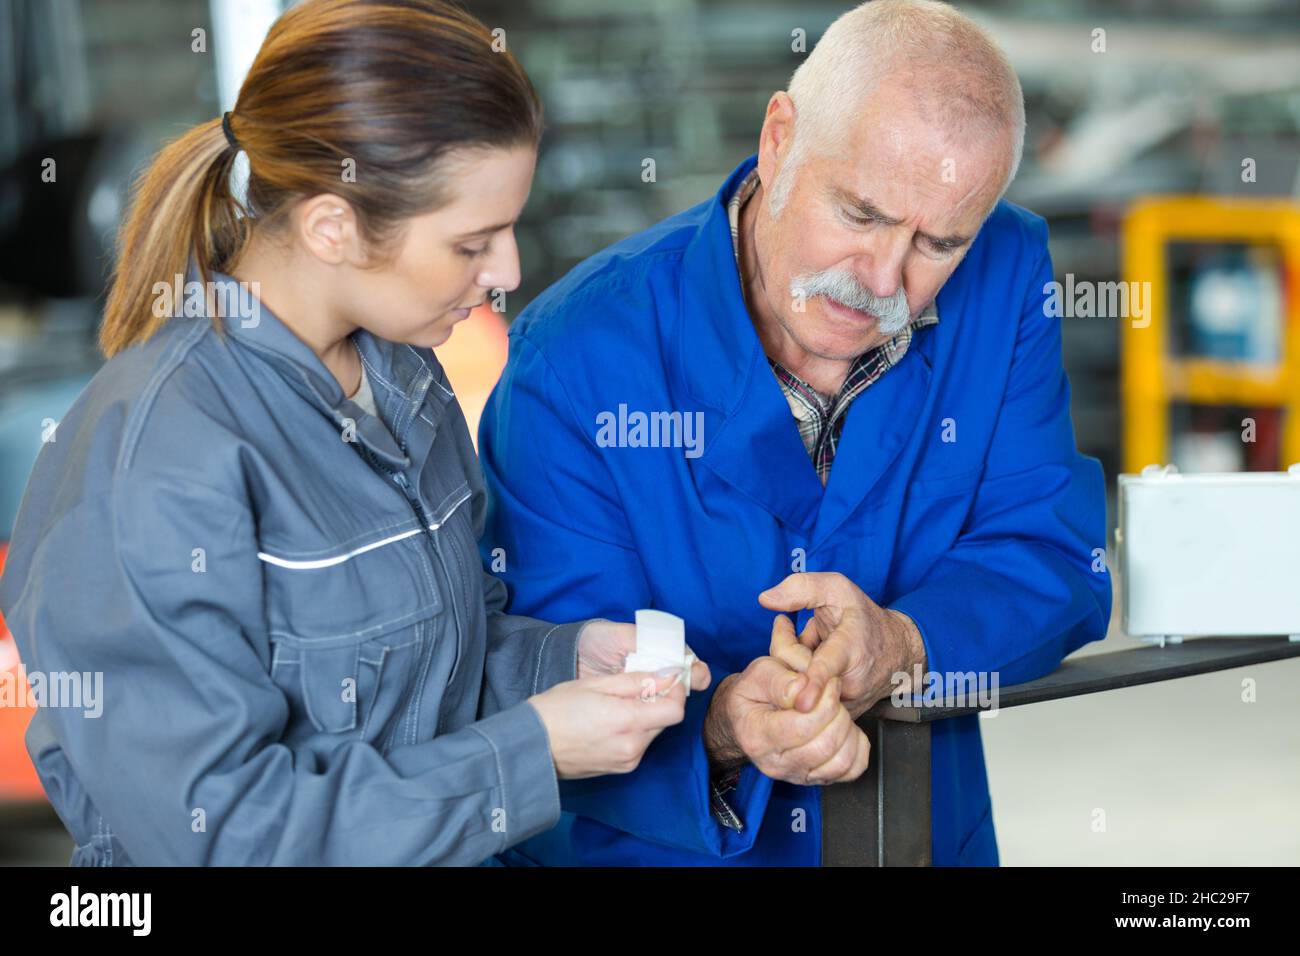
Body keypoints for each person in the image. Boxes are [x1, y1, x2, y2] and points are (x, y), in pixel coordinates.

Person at [0, 0, 707, 867]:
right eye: (471, 243)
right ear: (332, 227)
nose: (510, 272)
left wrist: (563, 665)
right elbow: (225, 837)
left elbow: (426, 672)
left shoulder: (407, 380)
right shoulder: (159, 453)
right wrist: (530, 753)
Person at [479, 0, 1112, 866]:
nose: (884, 278)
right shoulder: (575, 359)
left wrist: (902, 642)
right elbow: (536, 692)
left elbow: (1053, 553)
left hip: (915, 839)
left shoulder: (1004, 273)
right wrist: (724, 729)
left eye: (938, 243)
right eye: (859, 214)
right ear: (779, 139)